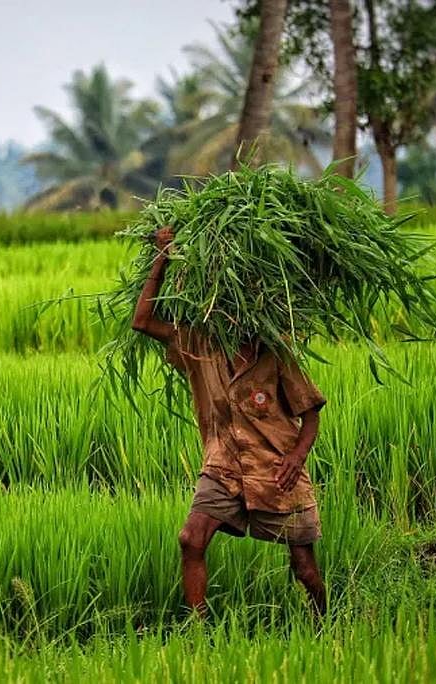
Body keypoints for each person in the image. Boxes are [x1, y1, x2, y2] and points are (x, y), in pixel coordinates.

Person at [131, 226, 327, 617]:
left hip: (276, 470)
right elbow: (143, 322)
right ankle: (201, 632)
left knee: (304, 568)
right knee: (191, 539)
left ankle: (326, 624)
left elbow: (310, 412)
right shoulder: (199, 344)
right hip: (222, 465)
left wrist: (297, 457)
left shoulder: (275, 352)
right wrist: (163, 257)